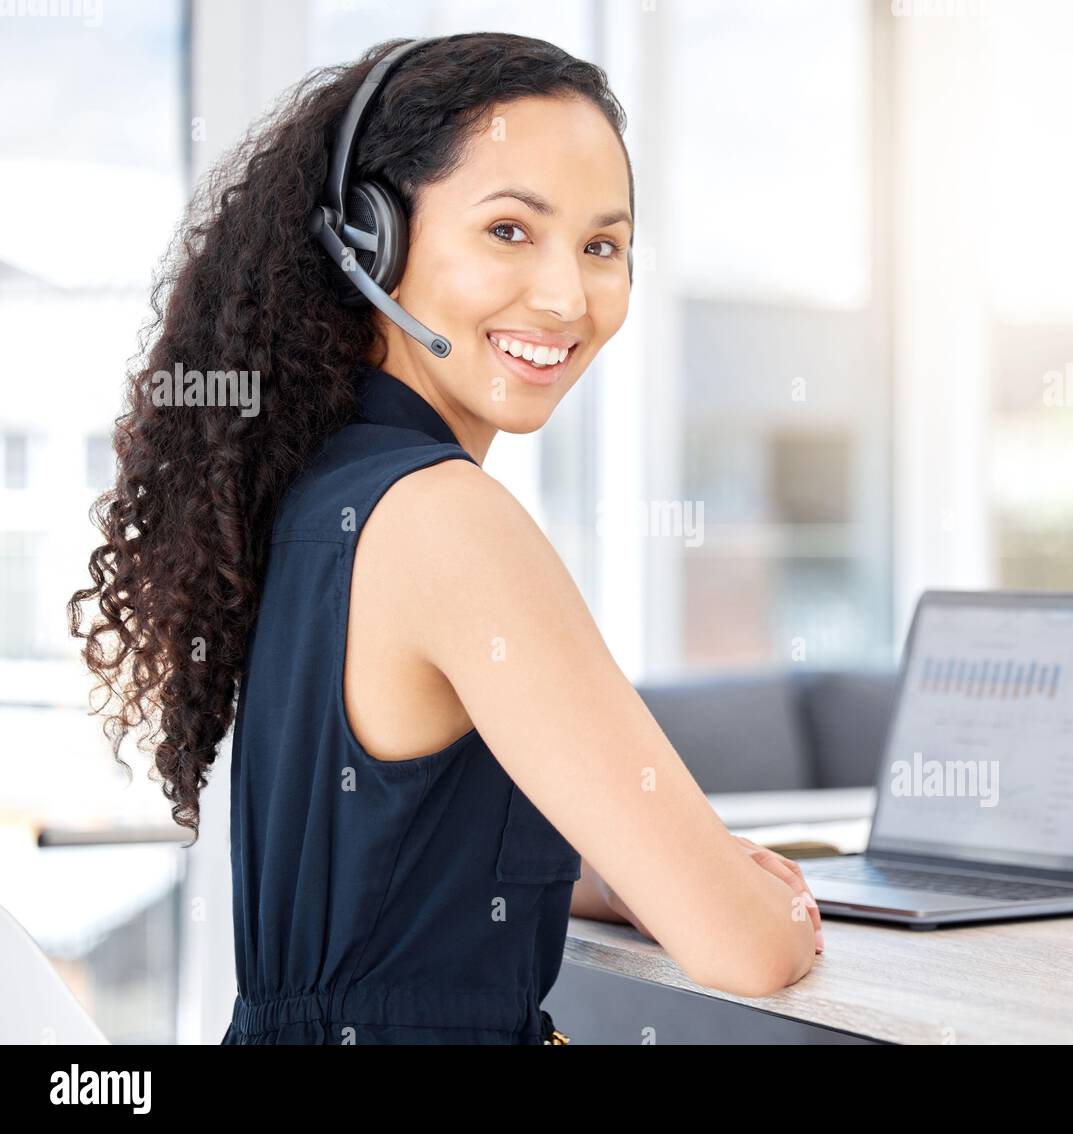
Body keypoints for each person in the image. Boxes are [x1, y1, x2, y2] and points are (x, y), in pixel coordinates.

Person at [68, 31, 822, 1046]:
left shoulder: (325, 490)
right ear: (369, 240)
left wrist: (606, 875)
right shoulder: (442, 515)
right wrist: (760, 901)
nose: (565, 297)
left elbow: (383, 864)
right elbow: (750, 950)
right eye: (510, 230)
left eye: (602, 247)